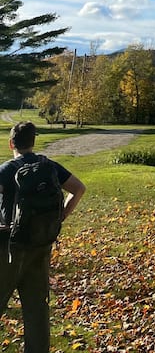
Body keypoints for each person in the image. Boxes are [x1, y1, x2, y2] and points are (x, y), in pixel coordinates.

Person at [0, 121, 85, 353]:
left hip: (9, 248)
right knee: (37, 309)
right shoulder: (49, 166)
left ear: (11, 144)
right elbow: (79, 188)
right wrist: (61, 217)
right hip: (41, 244)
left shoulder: (7, 169)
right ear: (33, 142)